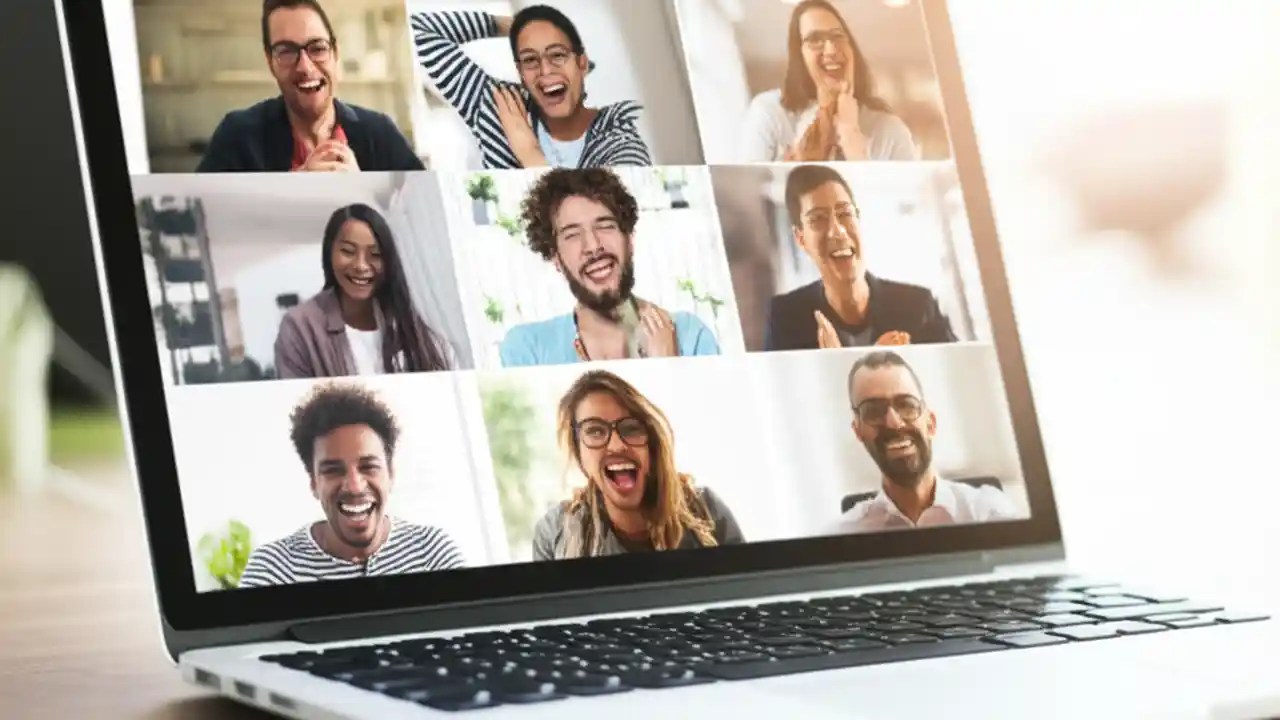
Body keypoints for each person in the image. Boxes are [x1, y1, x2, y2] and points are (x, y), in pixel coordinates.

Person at [238, 383, 465, 586]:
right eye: (333, 470)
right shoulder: (273, 570)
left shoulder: (432, 552)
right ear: (314, 483)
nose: (355, 487)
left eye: (368, 467)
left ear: (391, 474)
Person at [499, 168, 721, 366]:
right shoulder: (527, 349)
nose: (594, 246)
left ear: (629, 240)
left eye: (605, 226)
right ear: (555, 257)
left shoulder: (690, 335)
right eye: (573, 235)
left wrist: (669, 365)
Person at [532, 370, 744, 560]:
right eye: (595, 431)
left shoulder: (706, 508)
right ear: (578, 451)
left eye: (631, 428)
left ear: (652, 444)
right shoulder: (553, 532)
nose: (616, 446)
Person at [409, 6, 651, 169]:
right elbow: (416, 31)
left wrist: (531, 155)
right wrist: (510, 27)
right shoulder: (500, 106)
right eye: (530, 60)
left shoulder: (617, 139)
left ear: (582, 66)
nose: (545, 72)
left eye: (557, 55)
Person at [197, 0, 424, 173]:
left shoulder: (380, 133)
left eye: (317, 48)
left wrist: (365, 190)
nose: (305, 67)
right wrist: (298, 187)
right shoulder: (237, 136)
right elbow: (198, 222)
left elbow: (424, 216)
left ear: (335, 54)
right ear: (270, 62)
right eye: (286, 51)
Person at [765, 164, 957, 351]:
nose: (837, 231)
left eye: (845, 213)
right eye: (818, 219)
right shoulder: (785, 318)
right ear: (801, 238)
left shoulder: (918, 306)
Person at [830, 351, 1019, 533]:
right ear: (858, 431)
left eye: (906, 405)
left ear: (931, 423)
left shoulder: (989, 513)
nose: (894, 423)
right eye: (873, 411)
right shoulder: (842, 536)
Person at [274, 203, 456, 377]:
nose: (361, 266)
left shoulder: (409, 321)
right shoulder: (300, 326)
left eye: (375, 255)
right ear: (329, 252)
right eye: (348, 251)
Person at [740, 0, 917, 163]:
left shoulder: (891, 131)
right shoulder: (769, 112)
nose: (831, 50)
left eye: (838, 36)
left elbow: (906, 195)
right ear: (799, 56)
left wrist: (851, 137)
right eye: (815, 40)